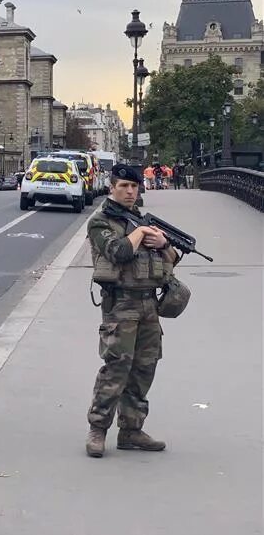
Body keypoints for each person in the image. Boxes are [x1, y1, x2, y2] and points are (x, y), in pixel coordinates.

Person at [84, 164, 179, 458]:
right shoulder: (101, 222)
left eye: (134, 187)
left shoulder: (141, 221)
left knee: (143, 369)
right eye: (123, 186)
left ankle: (131, 430)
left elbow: (171, 259)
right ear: (112, 187)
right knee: (116, 368)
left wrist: (163, 243)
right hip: (121, 305)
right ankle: (98, 429)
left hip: (149, 304)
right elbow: (119, 252)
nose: (129, 192)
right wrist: (140, 233)